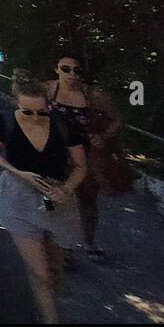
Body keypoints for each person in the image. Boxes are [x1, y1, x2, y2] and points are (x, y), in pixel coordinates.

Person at [0, 72, 87, 324]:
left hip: (57, 196)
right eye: (27, 112)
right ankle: (50, 318)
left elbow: (81, 166)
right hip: (17, 197)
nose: (36, 118)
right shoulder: (2, 122)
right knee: (39, 272)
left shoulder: (64, 125)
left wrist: (66, 189)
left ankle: (48, 302)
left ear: (49, 105)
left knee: (54, 267)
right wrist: (18, 173)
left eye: (42, 112)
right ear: (16, 104)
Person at [42, 56, 128, 261]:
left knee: (87, 200)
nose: (71, 74)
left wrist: (103, 137)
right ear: (57, 70)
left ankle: (89, 242)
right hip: (55, 154)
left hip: (86, 155)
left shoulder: (93, 95)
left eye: (76, 70)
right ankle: (63, 247)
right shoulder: (48, 89)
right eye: (66, 69)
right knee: (54, 199)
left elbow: (118, 119)